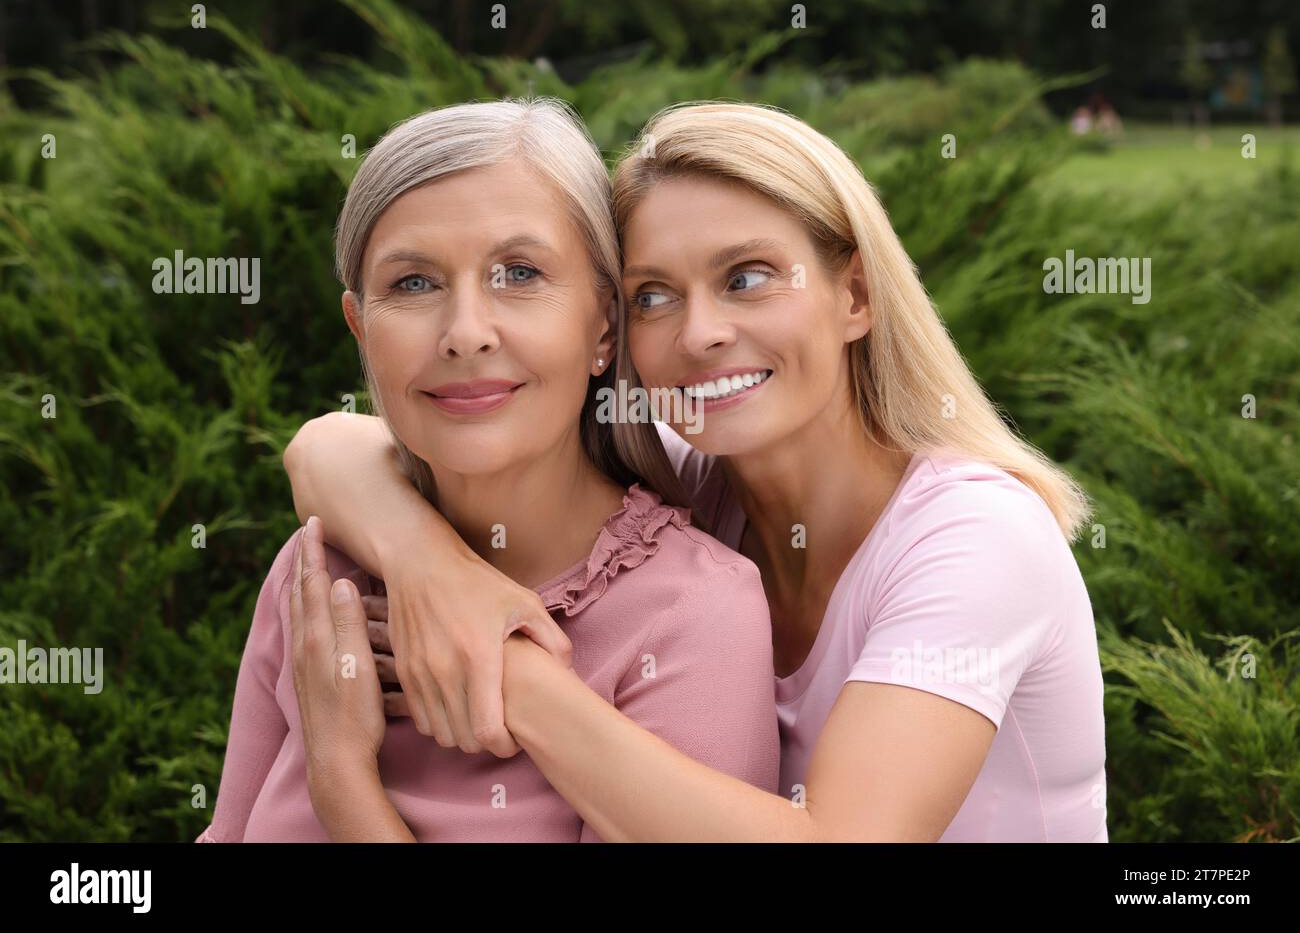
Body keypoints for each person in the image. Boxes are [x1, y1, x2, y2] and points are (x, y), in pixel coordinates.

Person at [285, 102, 1109, 841]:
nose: (701, 332)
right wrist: (431, 571)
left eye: (745, 278)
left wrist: (505, 667)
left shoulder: (975, 540)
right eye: (653, 295)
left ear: (854, 294)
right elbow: (330, 446)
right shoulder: (689, 482)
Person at [196, 99, 779, 842]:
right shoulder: (318, 570)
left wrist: (341, 776)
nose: (465, 333)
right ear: (359, 327)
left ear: (604, 325)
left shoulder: (694, 613)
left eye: (520, 272)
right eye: (413, 284)